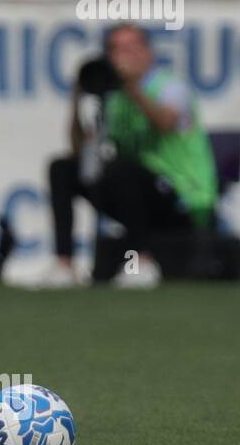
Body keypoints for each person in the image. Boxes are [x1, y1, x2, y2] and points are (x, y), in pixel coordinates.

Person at [39, 23, 218, 289]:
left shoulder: (170, 87)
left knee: (124, 171)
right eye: (116, 49)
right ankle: (64, 265)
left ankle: (141, 262)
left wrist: (133, 86)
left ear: (148, 53)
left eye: (131, 48)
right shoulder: (113, 98)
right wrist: (79, 95)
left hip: (179, 193)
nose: (124, 56)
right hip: (132, 194)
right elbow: (84, 153)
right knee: (62, 167)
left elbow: (165, 122)